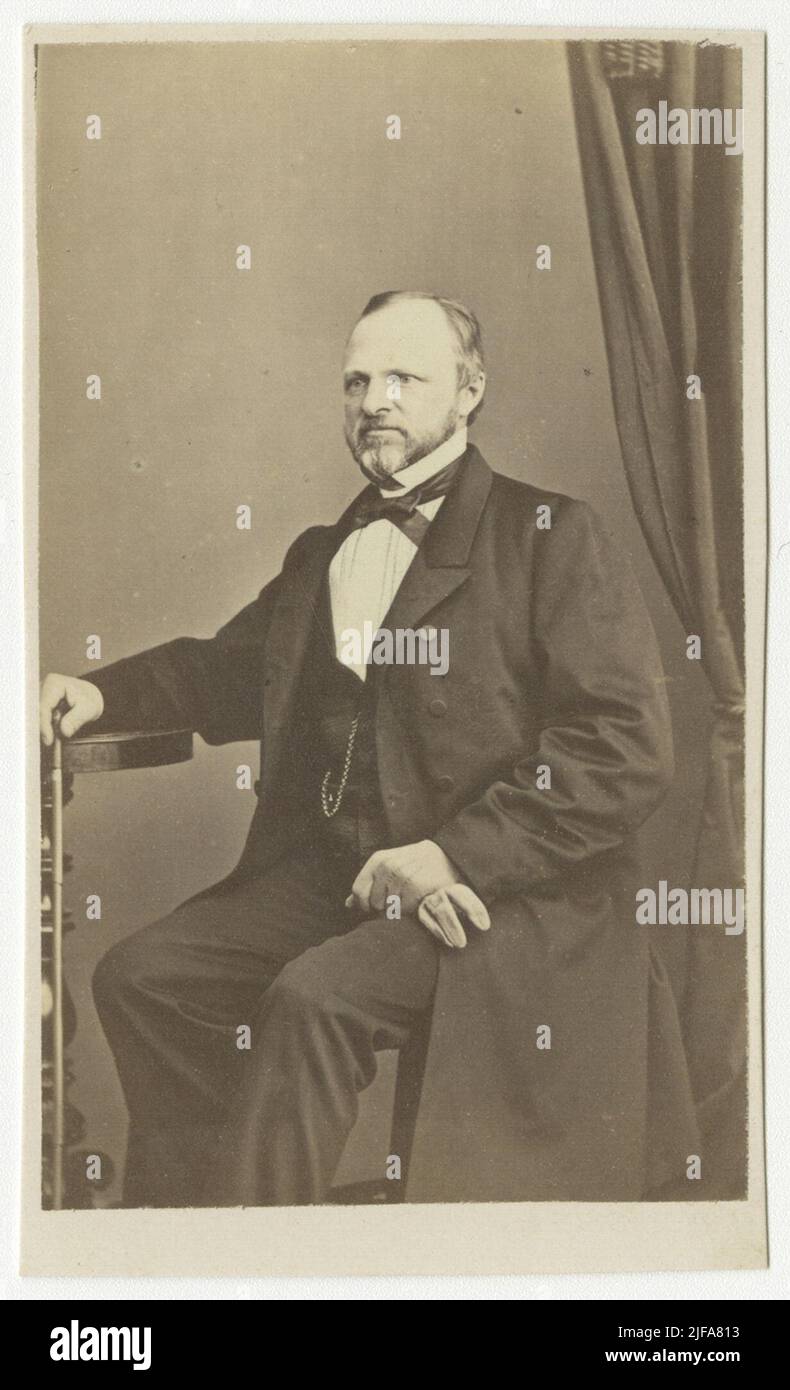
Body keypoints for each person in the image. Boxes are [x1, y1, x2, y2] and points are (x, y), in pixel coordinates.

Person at [39, 290, 700, 1207]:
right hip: (341, 875)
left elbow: (623, 747)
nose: (373, 402)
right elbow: (230, 672)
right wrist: (100, 690)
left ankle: (268, 1261)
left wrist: (452, 853)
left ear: (469, 392)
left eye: (402, 377)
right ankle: (204, 1229)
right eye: (356, 381)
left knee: (316, 1001)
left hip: (504, 892)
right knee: (145, 979)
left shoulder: (552, 536)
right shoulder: (327, 552)